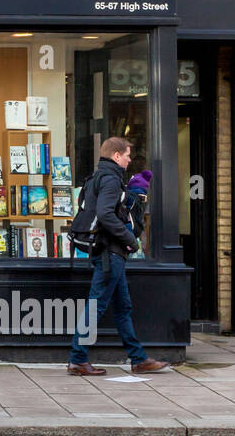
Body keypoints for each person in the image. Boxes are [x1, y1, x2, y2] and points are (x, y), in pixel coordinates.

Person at [68, 137, 169, 376]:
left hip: (108, 253)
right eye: (126, 155)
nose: (129, 159)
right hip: (110, 254)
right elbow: (104, 214)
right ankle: (77, 358)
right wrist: (129, 239)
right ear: (115, 156)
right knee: (96, 306)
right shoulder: (112, 179)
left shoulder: (96, 177)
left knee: (123, 306)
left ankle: (138, 358)